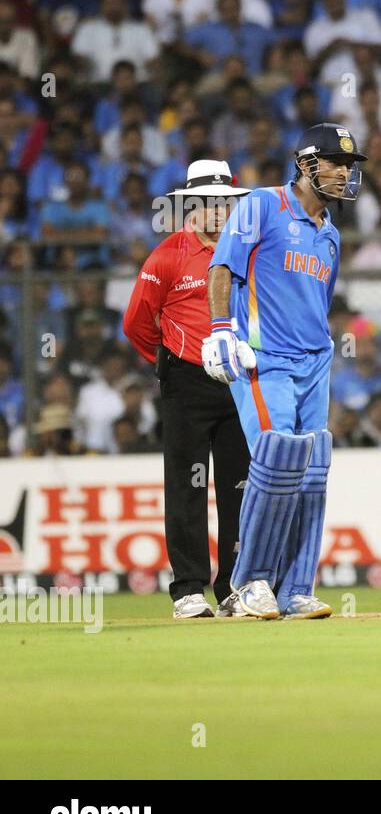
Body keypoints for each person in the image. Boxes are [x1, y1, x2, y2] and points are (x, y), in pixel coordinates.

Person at [204, 123, 367, 618]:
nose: (344, 173)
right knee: (276, 465)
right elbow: (223, 268)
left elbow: (317, 305)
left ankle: (296, 588)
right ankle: (251, 583)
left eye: (350, 166)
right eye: (335, 163)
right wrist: (220, 328)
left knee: (311, 474)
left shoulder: (331, 235)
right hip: (265, 358)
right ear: (305, 165)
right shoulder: (261, 205)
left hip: (316, 362)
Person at [122, 159, 251, 619]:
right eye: (205, 204)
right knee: (187, 487)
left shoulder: (247, 251)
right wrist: (171, 362)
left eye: (222, 203)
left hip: (238, 381)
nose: (215, 212)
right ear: (188, 207)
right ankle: (188, 590)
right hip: (186, 383)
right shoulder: (168, 256)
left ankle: (236, 587)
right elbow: (136, 323)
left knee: (239, 487)